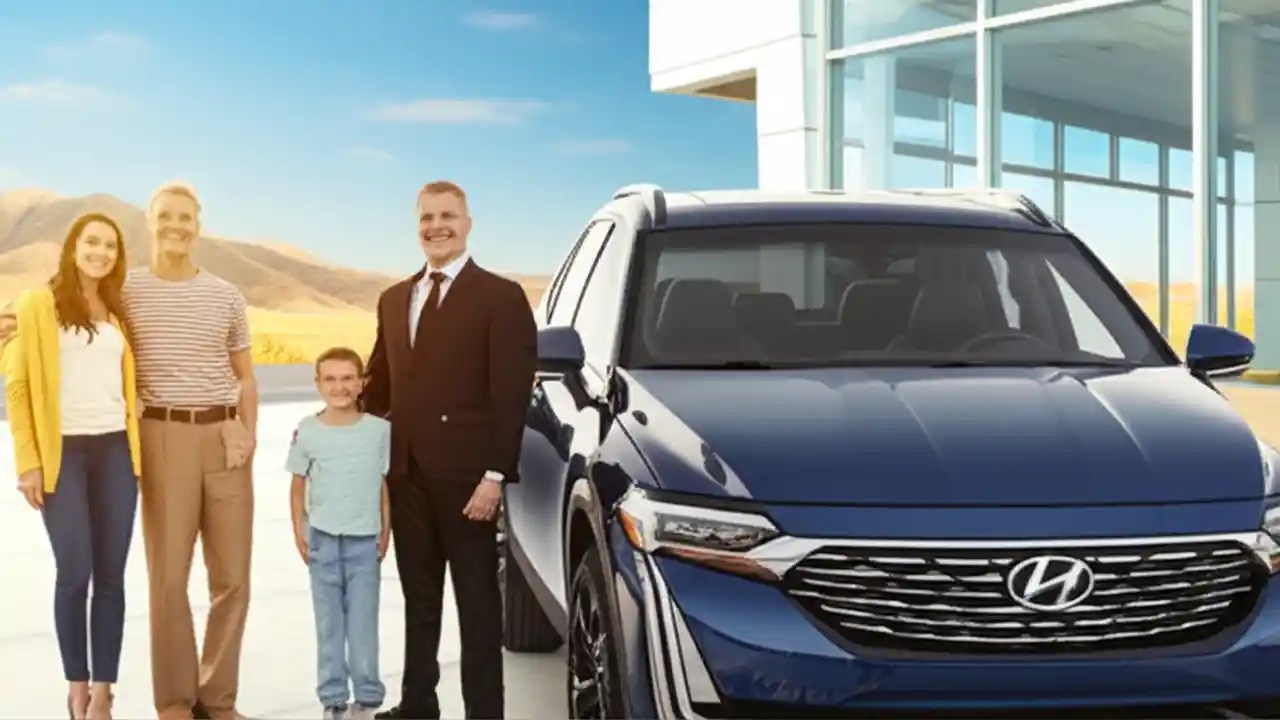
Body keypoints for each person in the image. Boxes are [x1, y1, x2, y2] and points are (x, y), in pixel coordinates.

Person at [360, 180, 537, 719]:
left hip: (469, 481)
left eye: (448, 216)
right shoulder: (394, 299)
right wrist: (333, 425)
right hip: (407, 476)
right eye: (427, 217)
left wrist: (495, 475)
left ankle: (485, 712)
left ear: (468, 223)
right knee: (420, 598)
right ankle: (418, 704)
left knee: (478, 605)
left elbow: (511, 393)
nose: (436, 226)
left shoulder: (501, 298)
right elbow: (380, 386)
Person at [5, 212, 143, 720]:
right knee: (74, 571)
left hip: (116, 453)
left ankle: (103, 692)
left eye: (110, 246)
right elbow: (18, 387)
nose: (100, 252)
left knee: (111, 576)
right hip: (63, 454)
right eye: (91, 242)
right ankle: (76, 687)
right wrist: (29, 462)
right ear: (72, 247)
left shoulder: (118, 309)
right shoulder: (37, 304)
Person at [286, 346, 392, 720]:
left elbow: (382, 484)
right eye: (330, 379)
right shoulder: (308, 431)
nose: (339, 387)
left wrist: (385, 529)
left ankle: (367, 698)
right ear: (318, 384)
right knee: (329, 624)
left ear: (362, 383)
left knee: (363, 624)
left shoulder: (379, 431)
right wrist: (299, 531)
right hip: (322, 540)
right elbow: (298, 486)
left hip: (365, 541)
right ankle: (333, 698)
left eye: (348, 378)